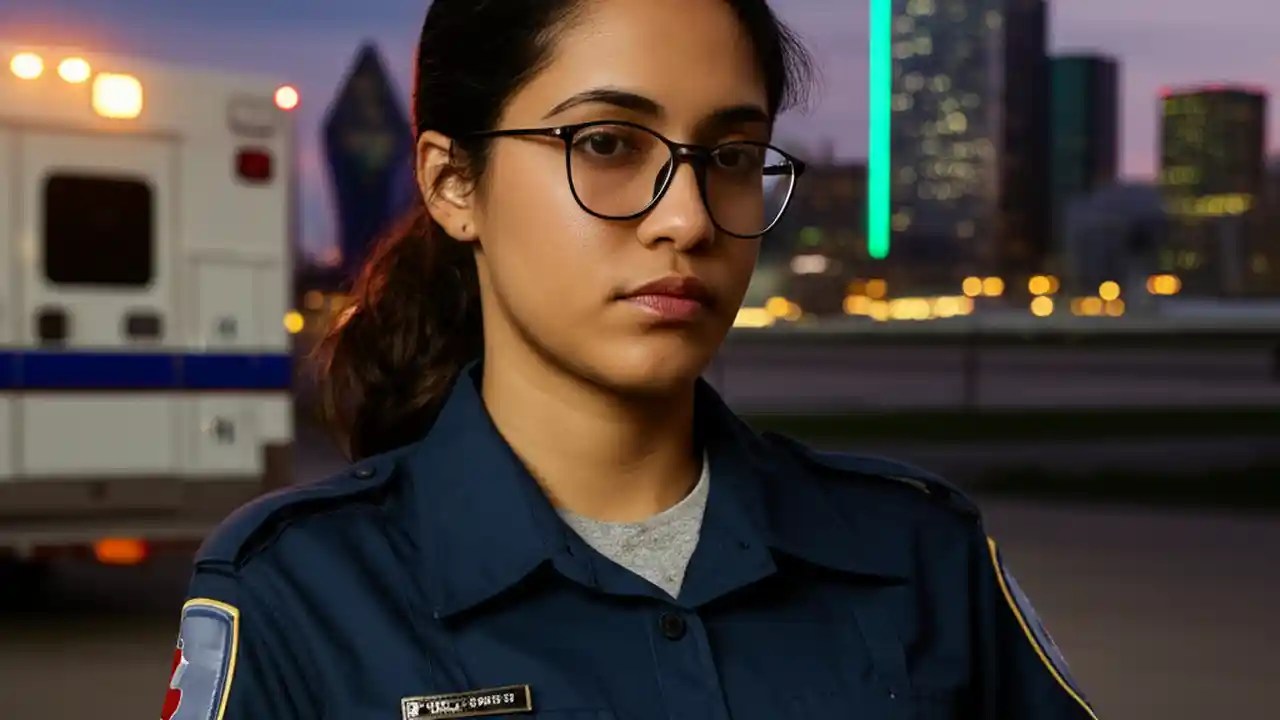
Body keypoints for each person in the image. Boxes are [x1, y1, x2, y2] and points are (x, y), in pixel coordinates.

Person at [161, 0, 1101, 718]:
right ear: (454, 184)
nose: (688, 216)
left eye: (732, 155)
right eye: (606, 143)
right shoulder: (299, 592)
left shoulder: (919, 556)